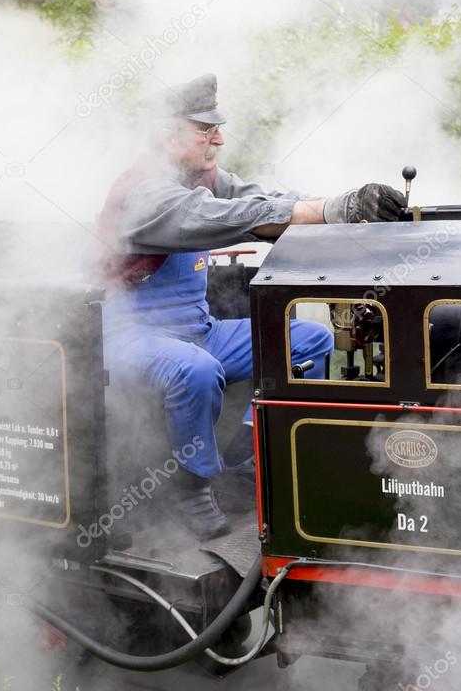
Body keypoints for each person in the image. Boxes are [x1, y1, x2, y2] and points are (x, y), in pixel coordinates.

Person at [97, 73, 405, 540]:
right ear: (166, 134)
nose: (218, 137)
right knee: (194, 370)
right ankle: (191, 488)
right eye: (205, 129)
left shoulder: (203, 178)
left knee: (311, 339)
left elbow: (263, 199)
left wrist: (348, 204)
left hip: (195, 328)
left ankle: (248, 462)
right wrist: (329, 211)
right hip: (129, 335)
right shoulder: (146, 193)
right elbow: (229, 218)